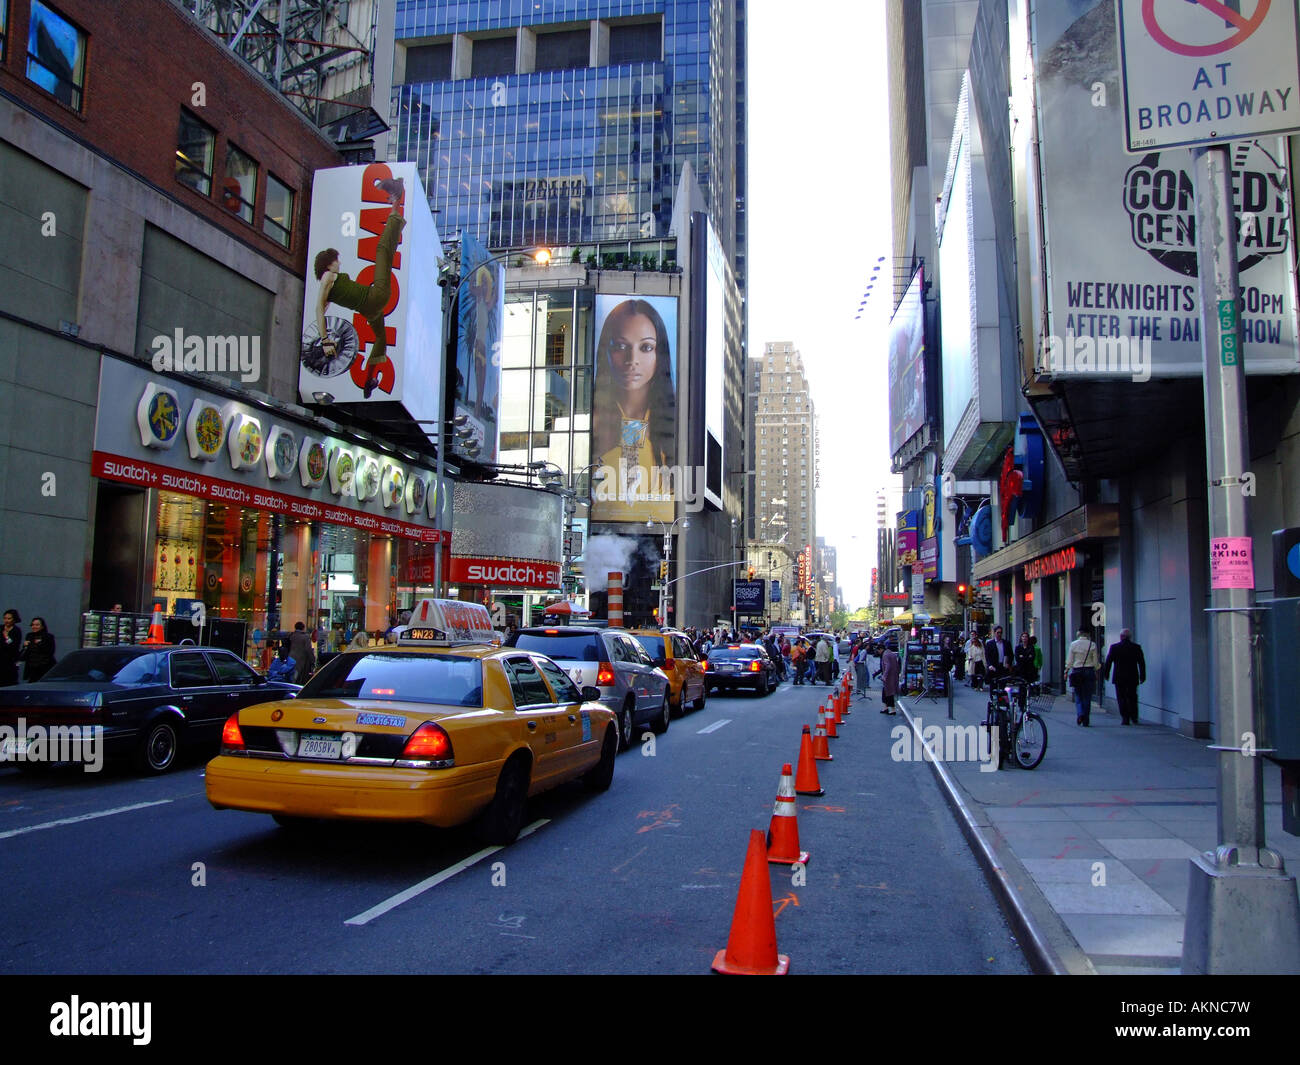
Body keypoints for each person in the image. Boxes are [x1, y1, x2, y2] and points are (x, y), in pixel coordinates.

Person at [313, 176, 405, 399]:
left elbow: (321, 310)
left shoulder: (330, 288)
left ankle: (368, 380)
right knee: (383, 250)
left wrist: (323, 335)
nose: (340, 263)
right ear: (328, 263)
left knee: (381, 339)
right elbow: (318, 308)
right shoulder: (328, 276)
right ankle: (396, 199)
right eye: (337, 260)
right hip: (375, 296)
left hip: (370, 310)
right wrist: (325, 340)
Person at [591, 298, 676, 522]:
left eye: (646, 347)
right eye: (621, 346)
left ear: (660, 355)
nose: (632, 360)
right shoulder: (590, 425)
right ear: (606, 352)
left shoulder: (677, 431)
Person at [1103, 628, 1147, 725]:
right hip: (1132, 676)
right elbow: (1141, 663)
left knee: (1121, 697)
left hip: (1119, 677)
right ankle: (1134, 717)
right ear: (1130, 637)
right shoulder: (1136, 647)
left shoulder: (1114, 647)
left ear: (1121, 637)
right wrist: (1142, 676)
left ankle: (1125, 718)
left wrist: (1106, 674)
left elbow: (1109, 662)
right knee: (1132, 697)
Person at [1065, 627, 1101, 725]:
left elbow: (1070, 660)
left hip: (1077, 671)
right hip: (1089, 671)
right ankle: (1086, 719)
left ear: (1079, 633)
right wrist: (1097, 671)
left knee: (1078, 694)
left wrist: (1066, 671)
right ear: (1087, 634)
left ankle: (1080, 713)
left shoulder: (1073, 644)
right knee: (1087, 696)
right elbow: (1095, 662)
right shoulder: (1092, 644)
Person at [20, 617, 57, 683]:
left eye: (37, 625)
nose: (34, 627)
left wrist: (40, 644)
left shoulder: (48, 636)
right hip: (32, 667)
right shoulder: (29, 636)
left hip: (44, 667)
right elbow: (26, 651)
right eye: (33, 625)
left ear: (42, 626)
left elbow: (50, 651)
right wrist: (25, 646)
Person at [1, 609, 22, 687]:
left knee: (10, 681)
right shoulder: (1, 628)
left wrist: (6, 637)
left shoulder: (16, 631)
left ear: (14, 619)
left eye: (9, 618)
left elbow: (14, 645)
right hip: (1, 659)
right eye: (5, 618)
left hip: (11, 661)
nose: (6, 620)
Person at [879, 645, 901, 715]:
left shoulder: (885, 655)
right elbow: (897, 665)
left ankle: (892, 709)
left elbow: (888, 665)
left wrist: (884, 676)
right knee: (885, 692)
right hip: (894, 675)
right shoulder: (892, 654)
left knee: (889, 693)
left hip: (888, 677)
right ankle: (885, 708)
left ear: (881, 649)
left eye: (878, 650)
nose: (878, 652)